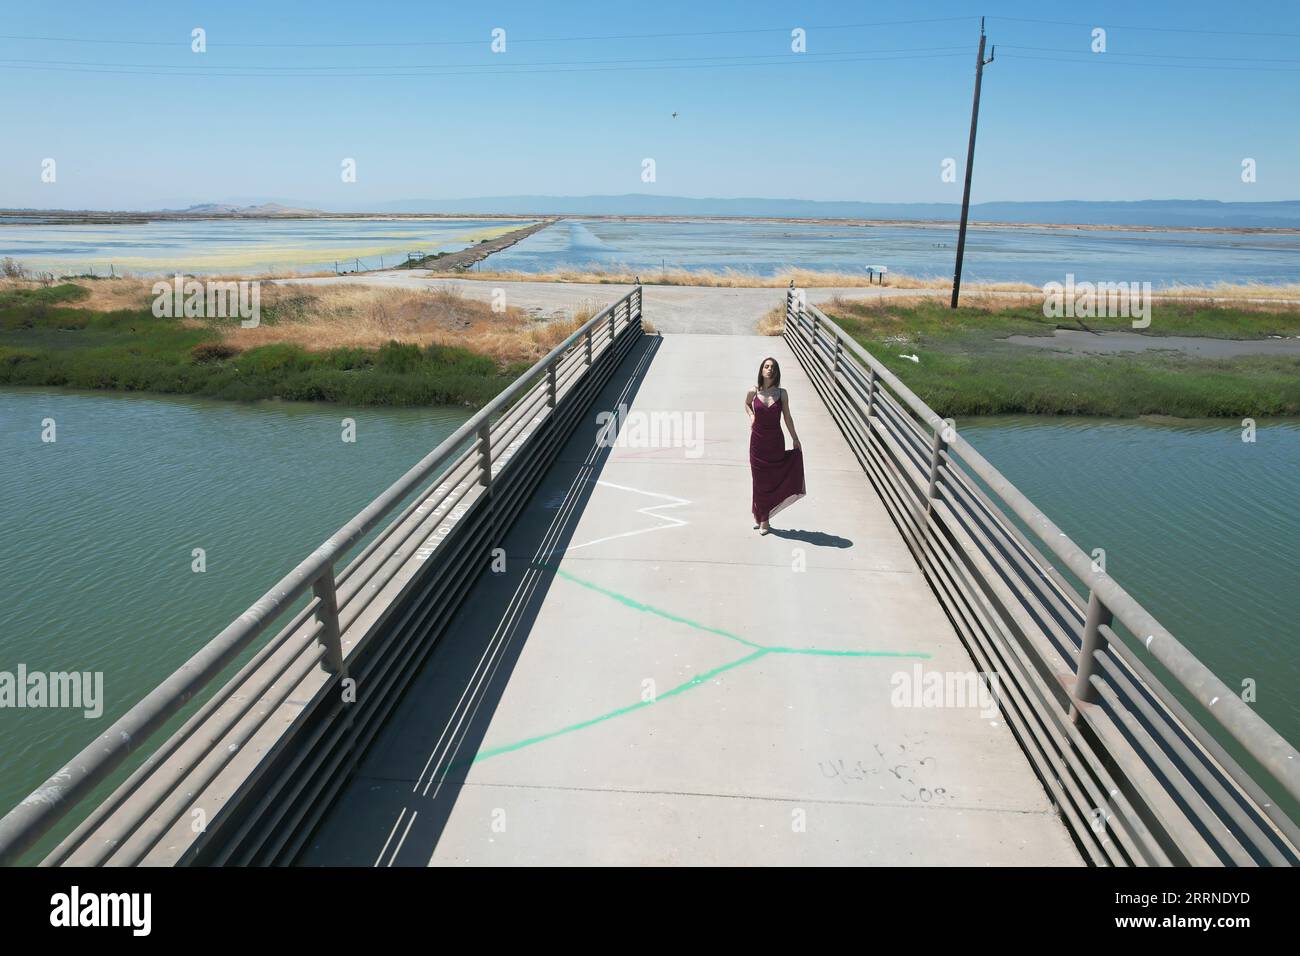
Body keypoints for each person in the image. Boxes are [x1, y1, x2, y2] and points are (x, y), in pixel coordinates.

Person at [745, 356, 805, 535]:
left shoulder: (782, 393)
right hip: (757, 443)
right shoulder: (753, 392)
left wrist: (795, 438)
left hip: (775, 442)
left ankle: (764, 518)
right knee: (759, 480)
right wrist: (752, 417)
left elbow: (787, 417)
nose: (769, 369)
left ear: (776, 372)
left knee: (771, 480)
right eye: (766, 366)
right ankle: (762, 517)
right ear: (761, 370)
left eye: (772, 367)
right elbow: (747, 404)